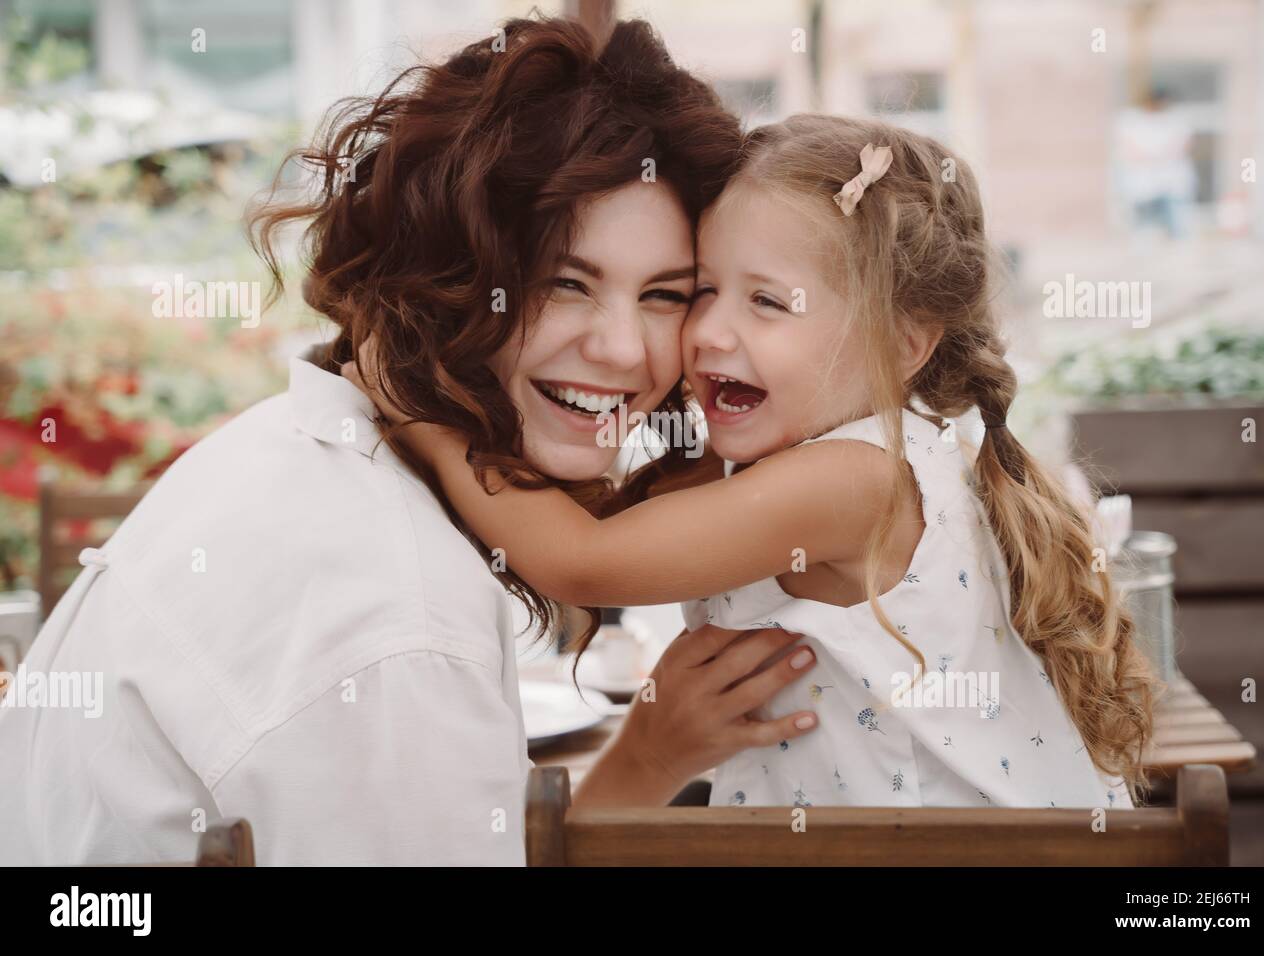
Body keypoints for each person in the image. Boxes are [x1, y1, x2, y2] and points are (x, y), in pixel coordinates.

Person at [0, 18, 820, 866]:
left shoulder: (302, 445)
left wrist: (648, 760)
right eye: (563, 283)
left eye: (663, 295)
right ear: (449, 279)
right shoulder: (399, 615)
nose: (624, 350)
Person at [347, 114, 1159, 811]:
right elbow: (591, 520)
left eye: (767, 302)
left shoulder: (856, 479)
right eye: (702, 291)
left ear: (904, 344)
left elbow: (580, 560)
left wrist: (426, 417)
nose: (706, 334)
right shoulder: (772, 462)